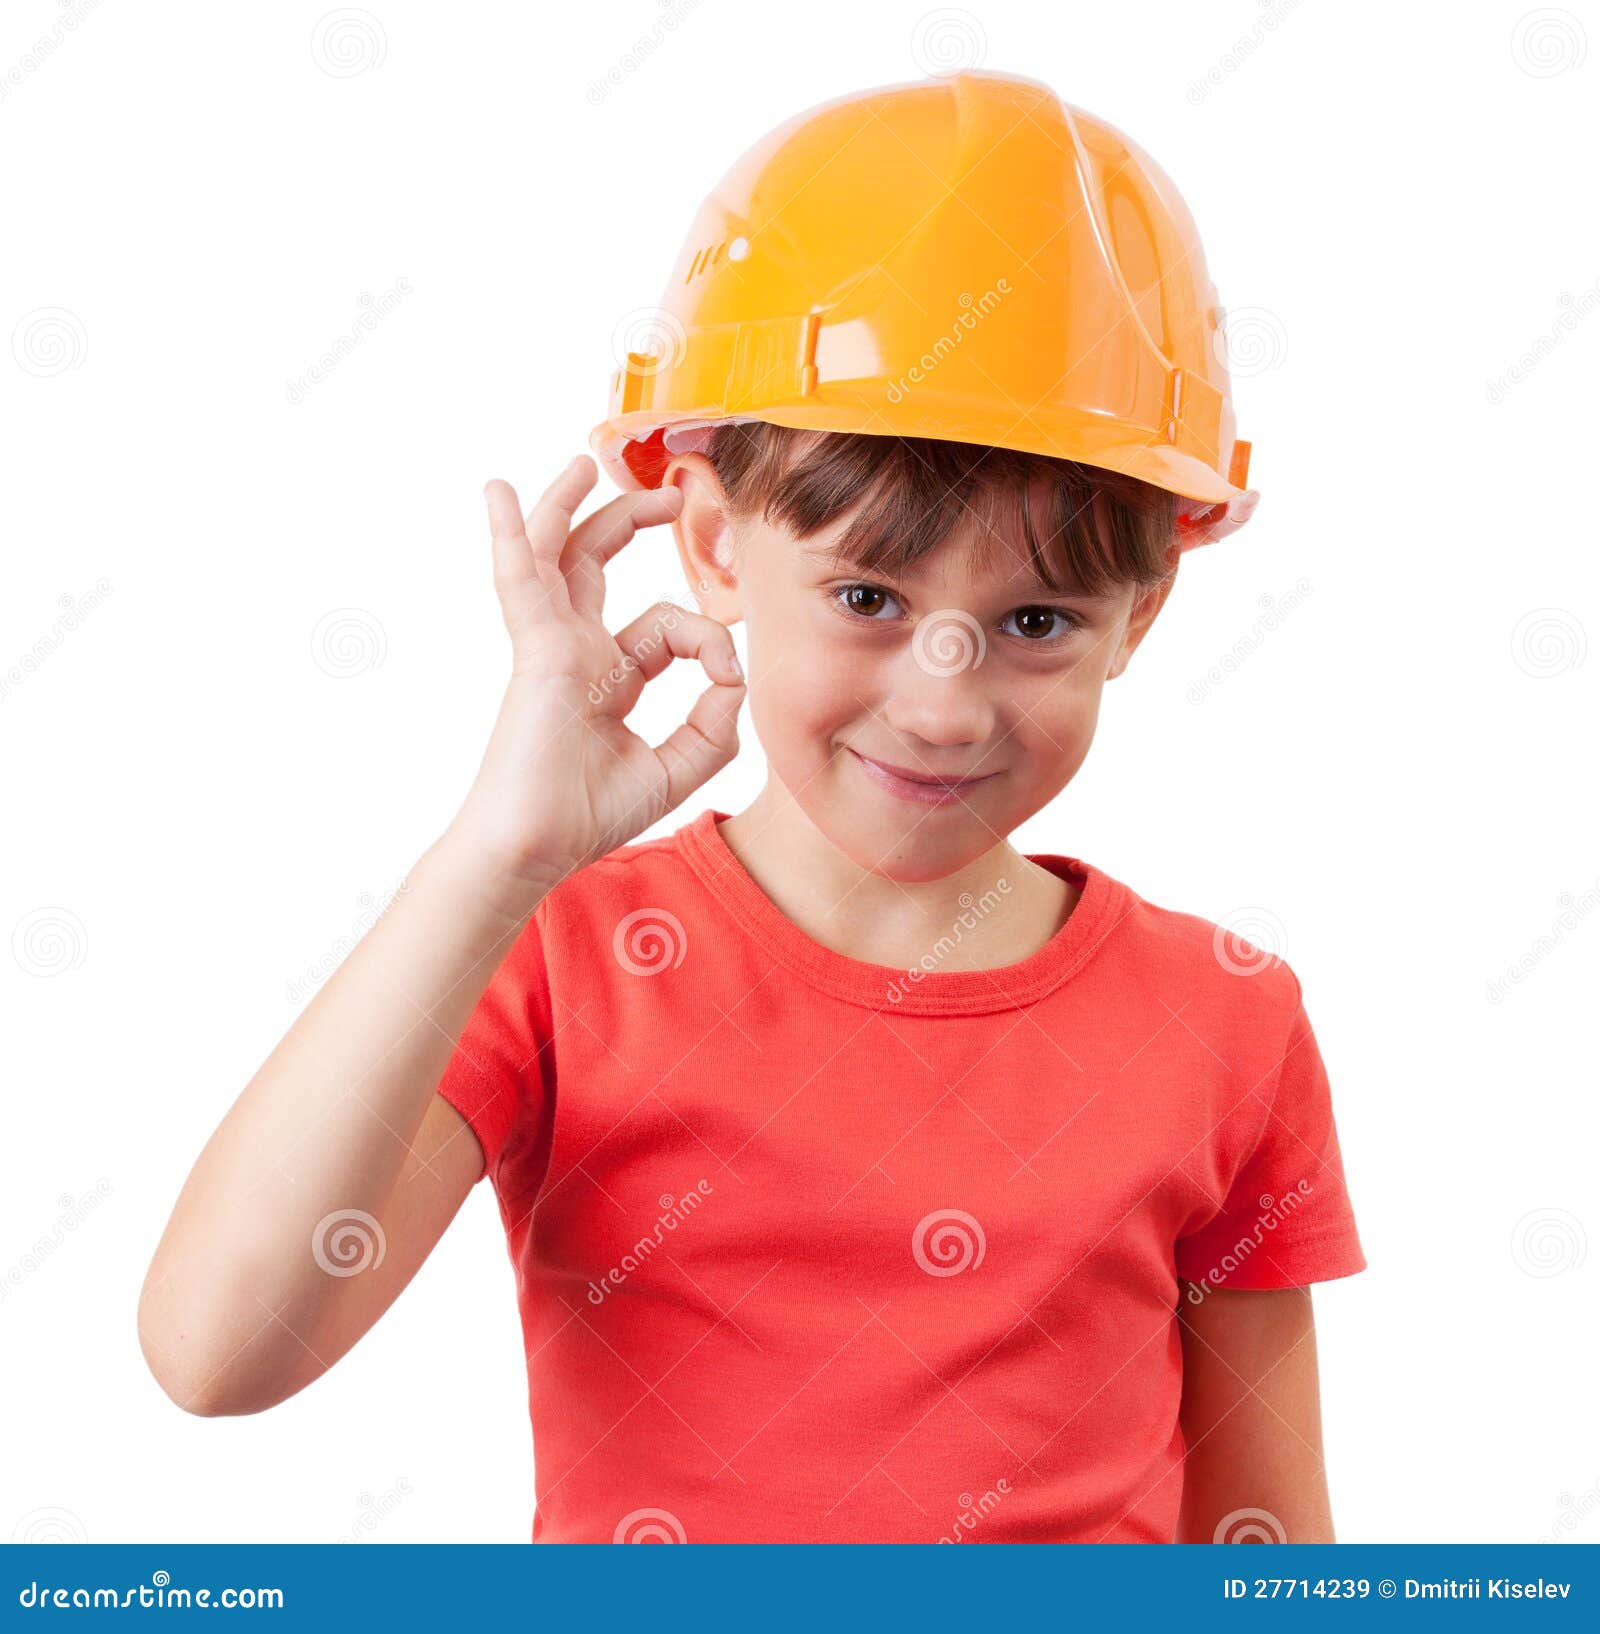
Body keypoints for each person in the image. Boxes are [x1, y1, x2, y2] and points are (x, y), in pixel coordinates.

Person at [138, 69, 1365, 1545]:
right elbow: (217, 1350)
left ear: (1144, 607)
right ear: (716, 543)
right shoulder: (557, 960)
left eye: (1037, 621)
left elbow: (1274, 1545)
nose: (943, 700)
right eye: (867, 595)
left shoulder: (1226, 1018)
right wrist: (498, 853)